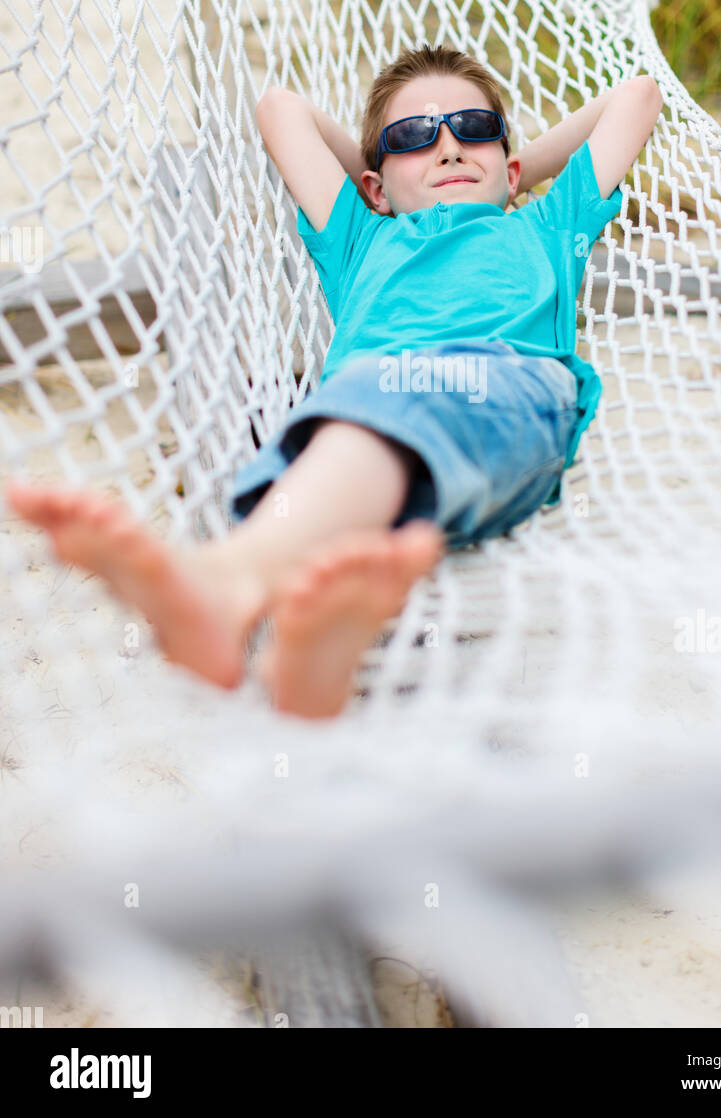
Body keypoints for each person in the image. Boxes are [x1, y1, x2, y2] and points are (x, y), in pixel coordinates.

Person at [4, 44, 662, 720]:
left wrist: (513, 175)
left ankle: (229, 584)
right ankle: (315, 656)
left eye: (474, 129)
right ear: (374, 188)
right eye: (414, 136)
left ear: (511, 164)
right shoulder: (360, 239)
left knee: (381, 400)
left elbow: (637, 95)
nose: (448, 148)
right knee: (342, 418)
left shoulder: (548, 226)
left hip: (508, 392)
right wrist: (382, 172)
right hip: (362, 411)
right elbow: (279, 109)